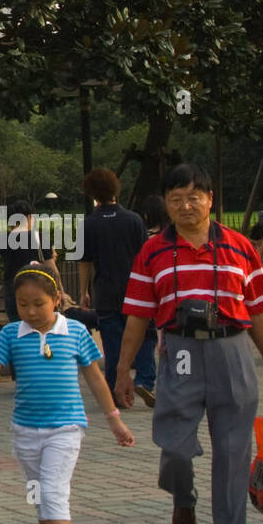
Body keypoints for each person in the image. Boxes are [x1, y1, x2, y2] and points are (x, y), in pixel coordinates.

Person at [115, 164, 263, 524]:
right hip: (179, 353)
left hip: (232, 352)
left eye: (194, 197)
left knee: (232, 456)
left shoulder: (240, 247)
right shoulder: (152, 250)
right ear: (166, 205)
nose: (186, 206)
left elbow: (259, 312)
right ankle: (183, 497)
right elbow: (138, 317)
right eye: (176, 199)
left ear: (211, 199)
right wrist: (123, 370)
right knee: (174, 447)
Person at [0, 263, 134, 524]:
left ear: (56, 300)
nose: (31, 311)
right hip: (24, 431)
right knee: (39, 499)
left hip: (65, 429)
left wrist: (114, 419)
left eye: (39, 303)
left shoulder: (76, 332)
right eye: (23, 304)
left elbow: (95, 377)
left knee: (53, 493)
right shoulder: (11, 334)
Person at [76, 167, 154, 407]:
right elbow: (145, 257)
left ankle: (113, 390)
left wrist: (84, 292)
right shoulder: (134, 219)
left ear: (92, 194)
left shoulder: (88, 224)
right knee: (144, 337)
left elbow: (85, 262)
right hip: (136, 292)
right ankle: (145, 379)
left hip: (106, 293)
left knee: (112, 343)